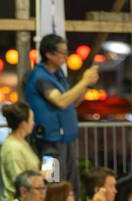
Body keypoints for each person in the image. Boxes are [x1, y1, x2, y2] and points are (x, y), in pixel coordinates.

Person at [22, 34, 100, 190]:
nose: (66, 56)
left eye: (66, 52)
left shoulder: (58, 75)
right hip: (49, 141)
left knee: (70, 185)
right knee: (53, 184)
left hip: (66, 138)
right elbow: (61, 101)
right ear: (49, 54)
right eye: (62, 53)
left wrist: (87, 85)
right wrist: (84, 80)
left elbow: (73, 101)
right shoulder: (40, 77)